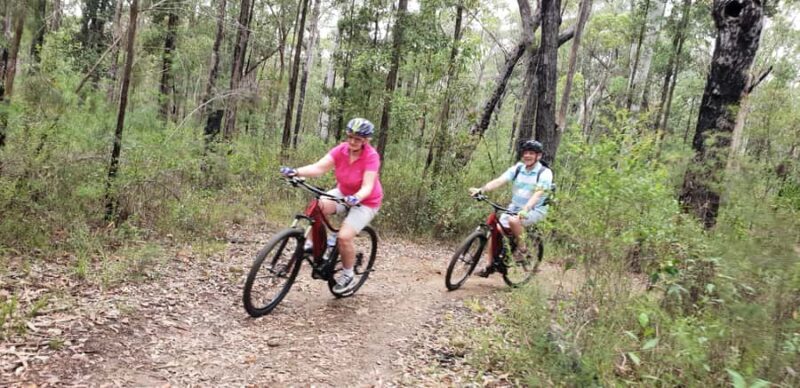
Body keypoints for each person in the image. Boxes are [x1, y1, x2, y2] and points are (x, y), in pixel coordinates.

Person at [280, 118, 383, 292]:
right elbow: (319, 167)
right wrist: (296, 171)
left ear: (366, 140)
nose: (352, 141)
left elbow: (367, 186)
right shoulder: (341, 150)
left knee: (344, 237)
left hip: (366, 201)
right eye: (350, 136)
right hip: (343, 192)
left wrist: (356, 197)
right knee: (317, 205)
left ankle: (348, 275)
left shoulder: (371, 156)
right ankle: (313, 244)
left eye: (358, 139)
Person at [468, 139, 553, 277]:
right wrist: (482, 190)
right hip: (514, 207)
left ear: (539, 156)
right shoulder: (518, 168)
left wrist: (525, 209)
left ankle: (522, 250)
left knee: (514, 221)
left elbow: (539, 193)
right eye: (525, 152)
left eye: (531, 153)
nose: (527, 155)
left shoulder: (545, 172)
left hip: (535, 209)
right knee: (495, 230)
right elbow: (501, 180)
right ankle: (489, 266)